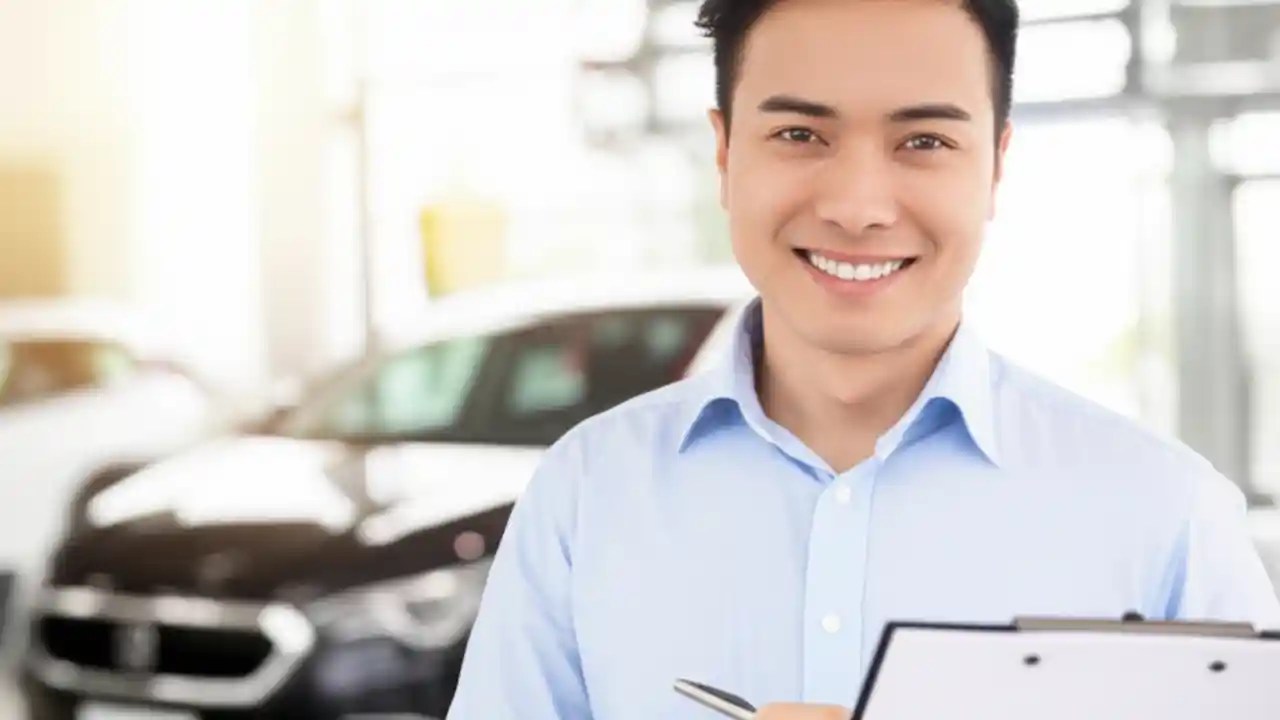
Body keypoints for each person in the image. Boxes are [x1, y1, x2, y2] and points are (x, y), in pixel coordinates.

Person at [447, 0, 1280, 718]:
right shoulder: (590, 494)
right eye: (800, 133)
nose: (856, 207)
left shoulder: (1164, 516)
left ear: (996, 165)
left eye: (922, 141)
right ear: (726, 154)